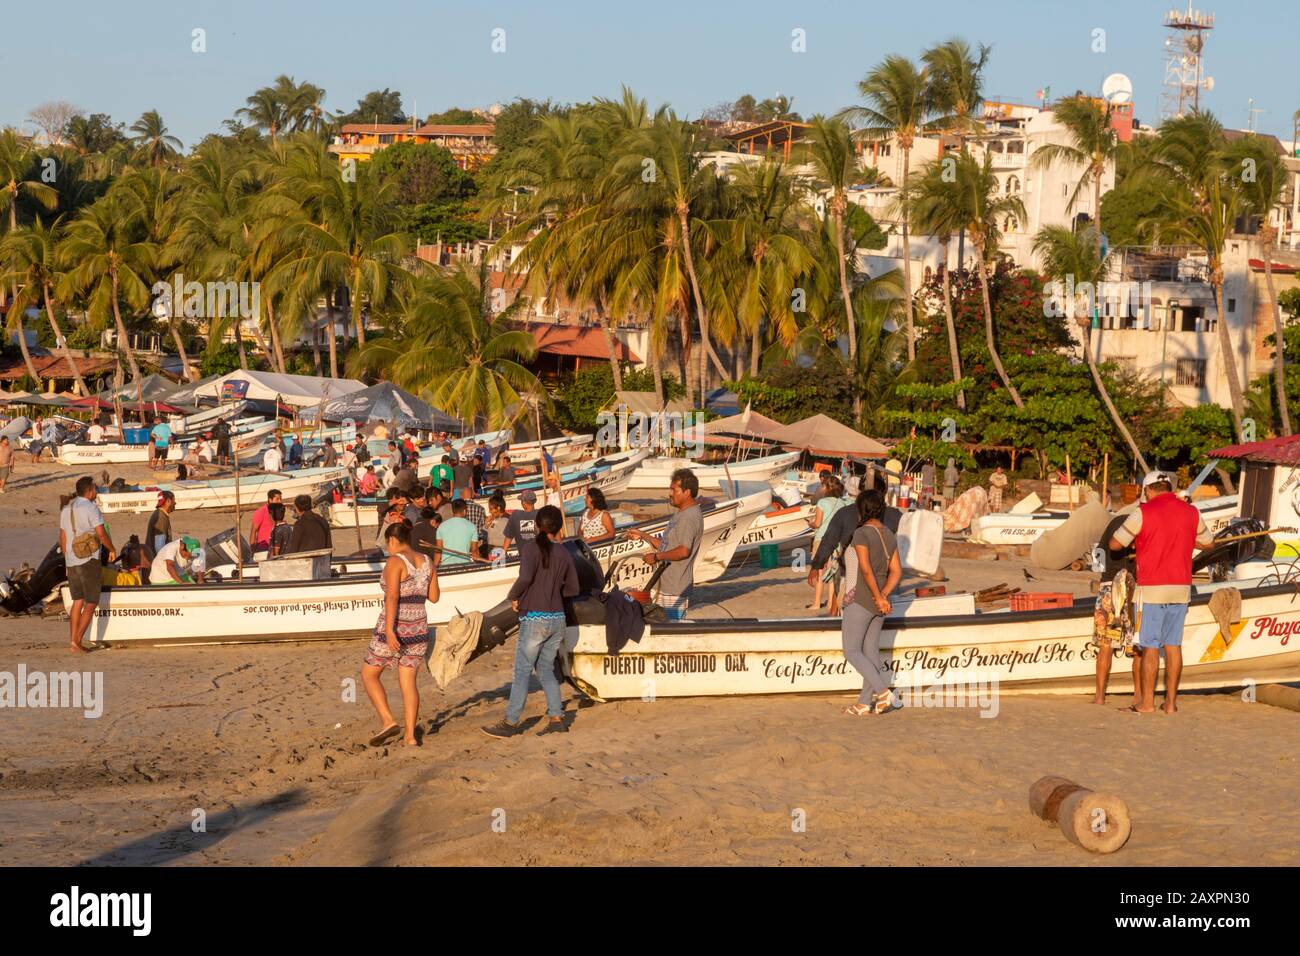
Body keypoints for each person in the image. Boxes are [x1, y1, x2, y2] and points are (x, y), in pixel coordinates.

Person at [1106, 471, 1215, 714]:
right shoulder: (1192, 511)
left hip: (1152, 588)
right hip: (1181, 587)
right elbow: (1209, 543)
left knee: (1150, 647)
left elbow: (1115, 544)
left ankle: (1146, 704)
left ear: (1148, 490)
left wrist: (1140, 538)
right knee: (1174, 646)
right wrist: (1186, 540)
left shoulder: (1143, 512)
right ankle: (1171, 704)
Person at [482, 505, 578, 739]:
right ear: (558, 527)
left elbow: (525, 578)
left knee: (522, 671)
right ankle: (556, 718)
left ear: (536, 525)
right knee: (545, 669)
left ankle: (511, 721)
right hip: (557, 618)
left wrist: (513, 597)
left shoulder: (531, 549)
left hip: (536, 617)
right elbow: (573, 588)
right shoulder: (565, 552)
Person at [362, 521, 439, 748]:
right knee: (408, 683)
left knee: (369, 674)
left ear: (393, 540)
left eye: (388, 544)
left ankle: (387, 720)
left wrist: (388, 630)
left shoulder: (395, 561)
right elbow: (434, 597)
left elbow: (392, 596)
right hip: (418, 626)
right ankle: (410, 737)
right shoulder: (427, 561)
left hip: (396, 624)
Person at [840, 490, 903, 716]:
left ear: (861, 508)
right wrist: (884, 595)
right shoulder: (889, 534)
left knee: (851, 651)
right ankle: (864, 703)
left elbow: (865, 570)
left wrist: (877, 596)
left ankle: (883, 692)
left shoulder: (861, 534)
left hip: (863, 598)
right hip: (880, 600)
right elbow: (896, 571)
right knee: (870, 652)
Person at [627, 468, 702, 621]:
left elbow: (683, 551)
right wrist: (642, 535)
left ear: (687, 492)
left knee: (671, 631)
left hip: (674, 589)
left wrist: (656, 556)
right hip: (664, 586)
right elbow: (668, 545)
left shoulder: (689, 517)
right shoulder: (680, 513)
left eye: (674, 490)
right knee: (659, 627)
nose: (670, 493)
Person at [59, 475, 115, 653]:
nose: (96, 491)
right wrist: (112, 549)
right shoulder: (92, 508)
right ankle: (77, 641)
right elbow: (101, 533)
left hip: (72, 560)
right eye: (95, 489)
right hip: (88, 559)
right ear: (89, 491)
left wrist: (67, 562)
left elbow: (62, 538)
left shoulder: (67, 509)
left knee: (77, 601)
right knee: (91, 602)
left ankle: (72, 641)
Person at [808, 474, 848, 614]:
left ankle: (817, 603)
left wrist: (810, 524)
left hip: (822, 539)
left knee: (819, 571)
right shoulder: (842, 503)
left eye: (823, 485)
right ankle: (831, 602)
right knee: (833, 573)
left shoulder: (822, 503)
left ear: (827, 488)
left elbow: (818, 523)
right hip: (836, 541)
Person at [436, 498, 480, 567]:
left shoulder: (441, 526)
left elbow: (438, 551)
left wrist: (435, 567)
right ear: (465, 511)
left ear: (452, 511)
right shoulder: (472, 526)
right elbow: (474, 552)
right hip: (465, 565)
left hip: (446, 565)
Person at [145, 491, 177, 559]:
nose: (175, 503)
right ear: (168, 501)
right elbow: (159, 546)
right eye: (174, 500)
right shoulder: (161, 517)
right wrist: (165, 561)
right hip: (156, 560)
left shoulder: (159, 513)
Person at [484, 493, 510, 559]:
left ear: (498, 508)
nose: (489, 511)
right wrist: (486, 525)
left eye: (491, 509)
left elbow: (486, 537)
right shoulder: (496, 520)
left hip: (498, 554)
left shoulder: (504, 521)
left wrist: (486, 527)